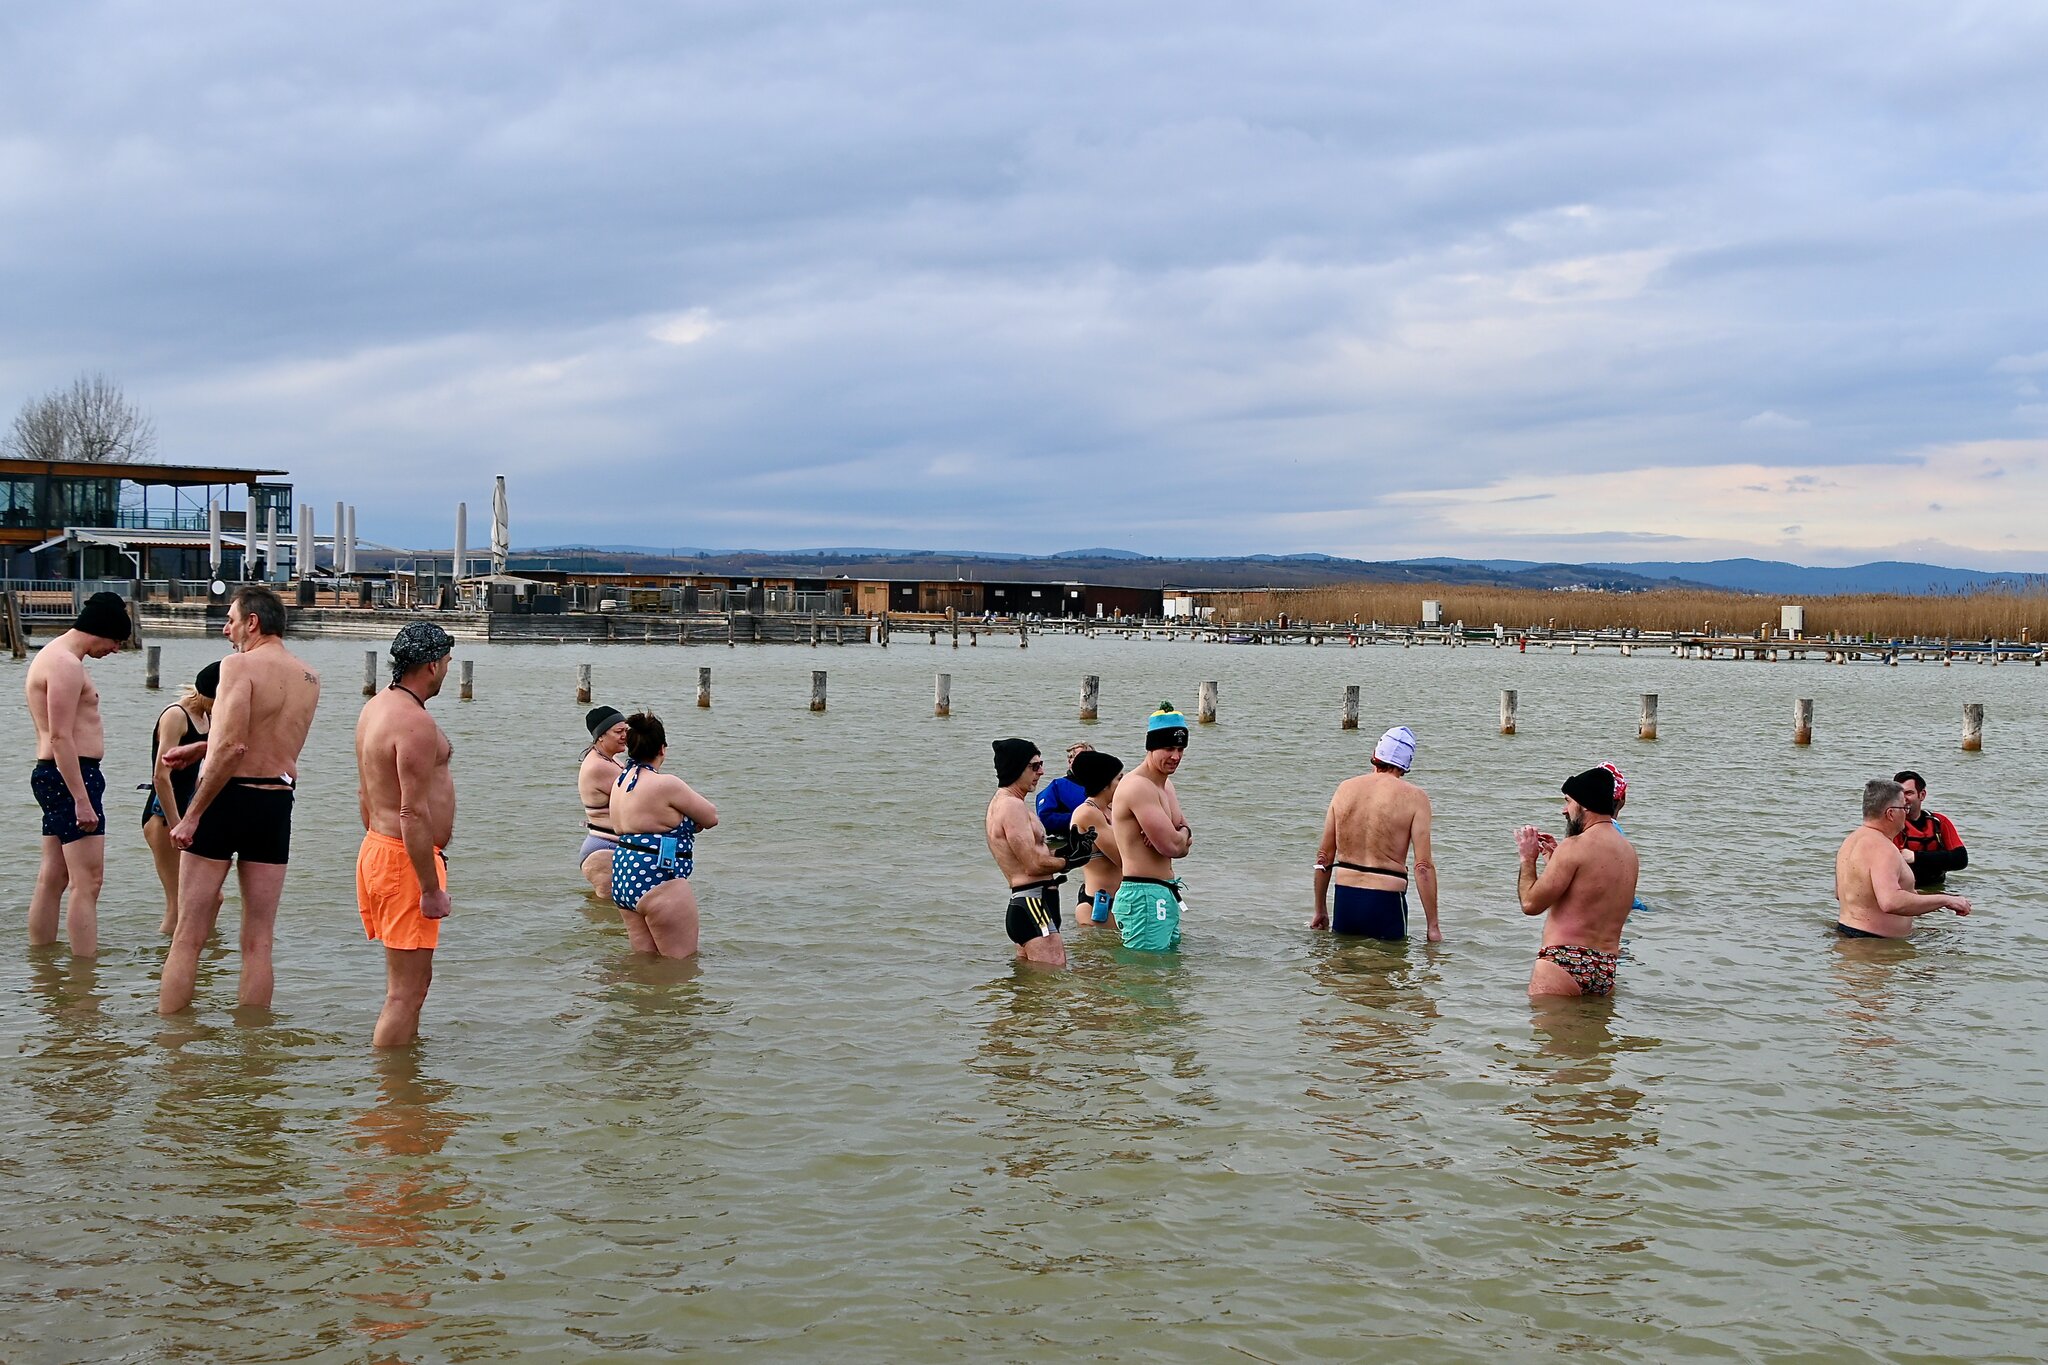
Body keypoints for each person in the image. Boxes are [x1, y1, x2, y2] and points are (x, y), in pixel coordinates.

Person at [159, 585, 321, 1017]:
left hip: (226, 799)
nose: (226, 629)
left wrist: (191, 815)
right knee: (258, 938)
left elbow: (232, 748)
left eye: (231, 619)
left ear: (253, 622)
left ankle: (172, 1041)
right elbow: (259, 737)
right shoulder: (309, 677)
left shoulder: (238, 666)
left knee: (189, 933)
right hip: (275, 803)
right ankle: (254, 1052)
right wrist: (197, 749)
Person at [353, 622, 458, 1046]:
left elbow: (365, 791)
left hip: (382, 849)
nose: (449, 669)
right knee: (405, 993)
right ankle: (392, 1099)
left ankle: (408, 1089)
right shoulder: (413, 721)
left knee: (413, 986)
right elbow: (412, 811)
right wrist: (429, 888)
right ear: (432, 666)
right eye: (448, 661)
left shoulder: (376, 707)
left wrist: (381, 853)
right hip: (403, 858)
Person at [23, 591, 130, 956]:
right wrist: (82, 800)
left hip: (56, 774)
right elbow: (60, 736)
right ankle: (84, 978)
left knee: (54, 875)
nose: (115, 650)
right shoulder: (65, 664)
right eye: (116, 641)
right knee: (89, 882)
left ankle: (44, 963)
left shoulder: (51, 655)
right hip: (71, 775)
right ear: (101, 631)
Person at [1514, 766, 1640, 997]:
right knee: (1595, 1033)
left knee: (1550, 1031)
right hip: (1604, 967)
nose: (1565, 810)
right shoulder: (1628, 853)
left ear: (1583, 804)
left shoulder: (1573, 847)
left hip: (1563, 961)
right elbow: (1589, 892)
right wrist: (1553, 860)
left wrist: (1527, 858)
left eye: (1568, 801)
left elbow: (1530, 904)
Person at [1311, 724, 1440, 942]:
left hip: (1345, 898)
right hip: (1386, 901)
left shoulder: (1344, 788)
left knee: (1342, 972)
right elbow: (1423, 867)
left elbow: (1324, 857)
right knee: (1384, 969)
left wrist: (1320, 910)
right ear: (1406, 764)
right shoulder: (1416, 798)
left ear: (1375, 755)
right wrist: (1433, 926)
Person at [609, 712, 718, 958]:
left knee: (644, 963)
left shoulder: (620, 783)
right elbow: (711, 817)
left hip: (625, 875)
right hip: (659, 876)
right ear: (662, 749)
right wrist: (689, 822)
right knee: (680, 965)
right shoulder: (665, 784)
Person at [985, 738, 1091, 965]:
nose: (1041, 771)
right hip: (1033, 904)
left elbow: (1033, 854)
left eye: (1041, 764)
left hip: (1030, 903)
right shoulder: (1011, 806)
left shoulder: (1007, 803)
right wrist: (1069, 861)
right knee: (1052, 983)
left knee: (1031, 992)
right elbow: (1032, 864)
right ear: (1015, 768)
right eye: (1034, 766)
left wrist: (1068, 850)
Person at [1835, 778, 1971, 939]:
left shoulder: (1850, 841)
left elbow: (1840, 893)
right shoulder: (1883, 847)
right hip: (1873, 944)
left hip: (1847, 934)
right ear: (1891, 813)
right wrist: (1946, 900)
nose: (1906, 813)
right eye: (1904, 808)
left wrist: (1929, 904)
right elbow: (1891, 902)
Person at [141, 662, 220, 937]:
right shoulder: (176, 716)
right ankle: (166, 966)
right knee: (179, 905)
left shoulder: (208, 717)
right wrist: (177, 826)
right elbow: (160, 777)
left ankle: (201, 960)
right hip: (162, 816)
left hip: (188, 813)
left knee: (213, 899)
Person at [1109, 704, 1193, 952]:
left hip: (1165, 891)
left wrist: (1182, 833)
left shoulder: (1166, 787)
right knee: (1143, 980)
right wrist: (1178, 836)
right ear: (1151, 747)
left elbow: (1183, 838)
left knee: (1165, 976)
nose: (1175, 756)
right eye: (1168, 748)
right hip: (1143, 893)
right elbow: (1173, 846)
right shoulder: (1138, 786)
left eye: (1180, 749)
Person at [577, 706, 629, 900]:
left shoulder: (610, 760)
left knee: (611, 919)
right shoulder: (599, 766)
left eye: (626, 731)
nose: (625, 736)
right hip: (605, 849)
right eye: (619, 732)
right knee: (608, 918)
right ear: (600, 736)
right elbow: (641, 794)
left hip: (610, 845)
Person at [1067, 750, 1124, 925]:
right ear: (1104, 783)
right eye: (1119, 778)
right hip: (1097, 906)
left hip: (1117, 905)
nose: (1124, 783)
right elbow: (1123, 858)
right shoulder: (1087, 813)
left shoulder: (1111, 809)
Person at [1892, 770, 1967, 890]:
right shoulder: (1891, 824)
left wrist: (1916, 857)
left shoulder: (1939, 822)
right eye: (1899, 794)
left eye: (1908, 793)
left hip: (1936, 887)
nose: (1903, 798)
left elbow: (1961, 859)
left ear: (1922, 795)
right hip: (1905, 891)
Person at [1034, 742, 1093, 840]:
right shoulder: (1057, 786)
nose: (1072, 760)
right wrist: (1081, 818)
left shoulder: (1105, 786)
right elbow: (1045, 817)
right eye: (1070, 757)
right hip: (1067, 839)